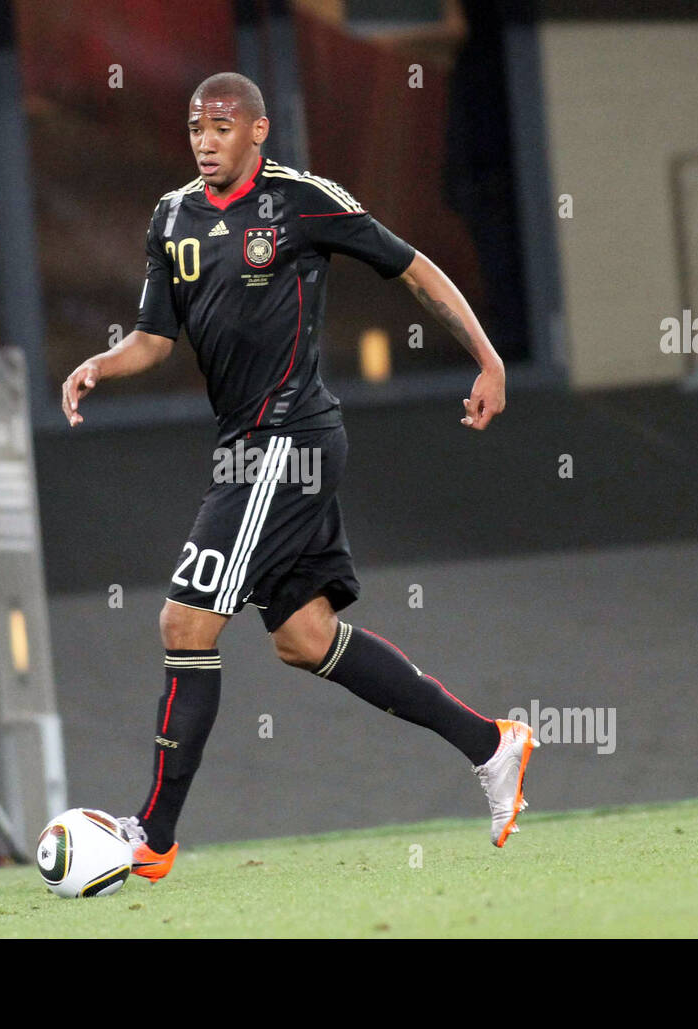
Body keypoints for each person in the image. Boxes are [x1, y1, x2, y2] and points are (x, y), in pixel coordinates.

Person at [59, 73, 537, 883]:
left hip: (287, 440)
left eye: (219, 126)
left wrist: (488, 357)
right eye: (194, 127)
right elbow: (153, 336)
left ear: (258, 132)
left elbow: (413, 267)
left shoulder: (302, 201)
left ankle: (155, 834)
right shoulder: (171, 216)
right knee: (303, 638)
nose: (204, 140)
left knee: (184, 623)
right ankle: (491, 745)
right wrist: (103, 363)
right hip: (245, 444)